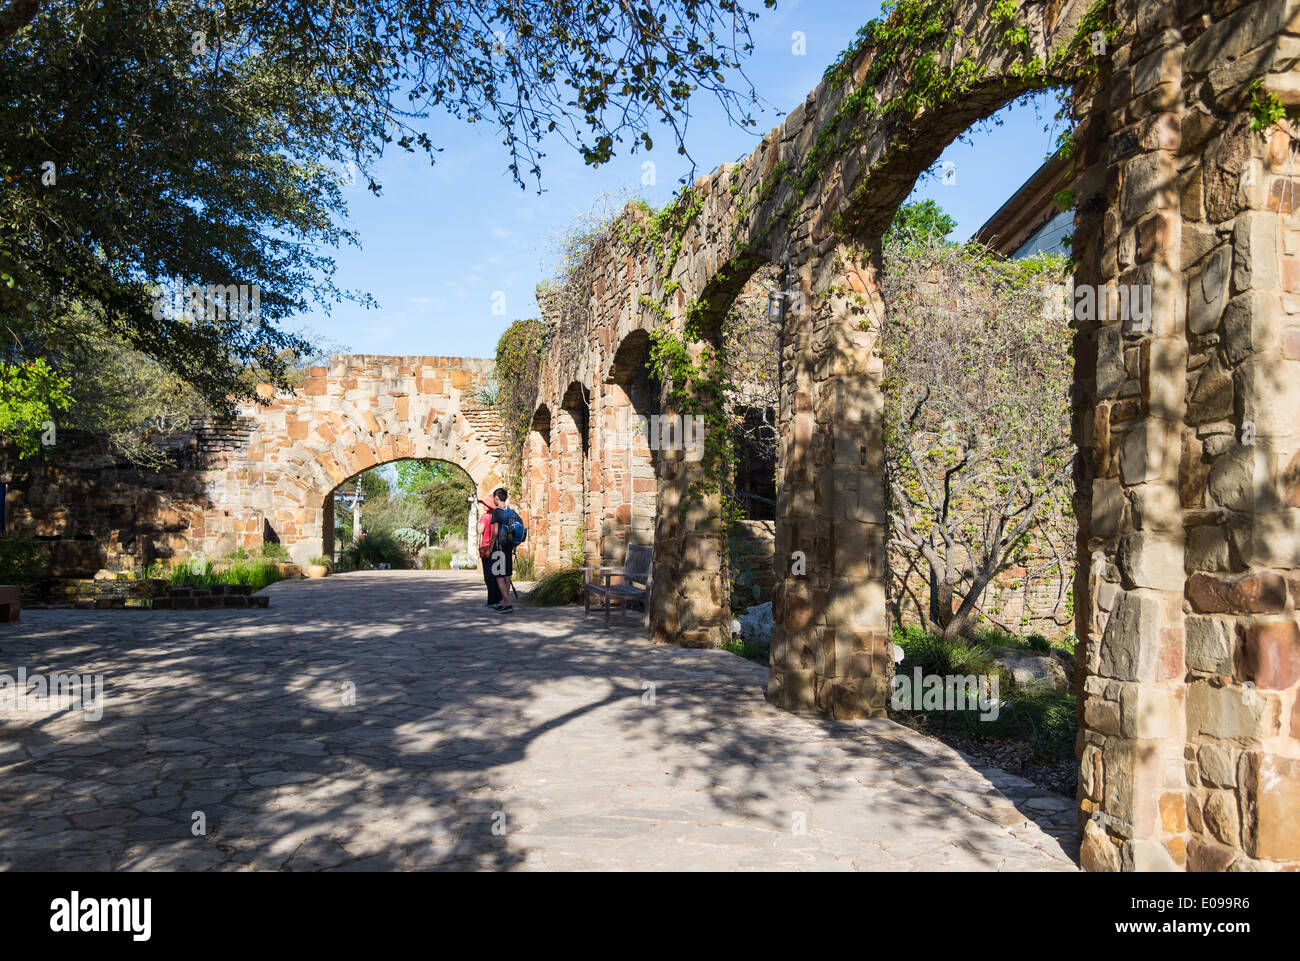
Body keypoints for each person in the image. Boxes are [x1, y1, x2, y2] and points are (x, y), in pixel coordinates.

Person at [488, 487, 516, 613]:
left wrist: (490, 546)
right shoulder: (511, 511)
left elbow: (495, 532)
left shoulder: (497, 512)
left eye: (494, 497)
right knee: (506, 575)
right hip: (508, 546)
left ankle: (508, 603)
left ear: (497, 498)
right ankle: (504, 601)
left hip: (498, 546)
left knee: (499, 575)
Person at [476, 497, 501, 607]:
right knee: (497, 575)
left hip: (486, 548)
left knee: (488, 575)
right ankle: (499, 598)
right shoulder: (498, 516)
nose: (483, 505)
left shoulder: (485, 516)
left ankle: (492, 600)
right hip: (497, 547)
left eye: (485, 504)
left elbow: (480, 531)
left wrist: (479, 523)